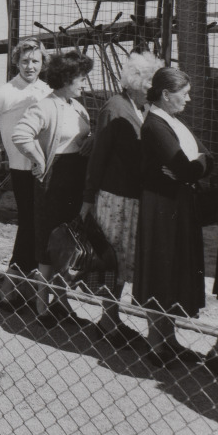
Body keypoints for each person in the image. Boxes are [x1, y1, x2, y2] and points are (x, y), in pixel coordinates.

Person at [81, 50, 161, 343]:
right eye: (151, 81)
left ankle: (111, 317)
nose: (154, 87)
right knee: (112, 260)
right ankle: (108, 320)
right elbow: (98, 157)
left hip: (132, 198)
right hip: (115, 198)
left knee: (123, 260)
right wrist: (88, 199)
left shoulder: (143, 108)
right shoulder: (115, 108)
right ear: (136, 80)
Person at [10, 50, 95, 321]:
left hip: (75, 179)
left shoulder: (76, 106)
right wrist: (38, 159)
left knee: (68, 243)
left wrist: (89, 141)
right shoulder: (45, 106)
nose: (84, 83)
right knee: (48, 242)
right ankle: (42, 305)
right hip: (53, 181)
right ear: (67, 78)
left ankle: (61, 301)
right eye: (81, 78)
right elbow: (21, 134)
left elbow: (80, 135)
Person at [0, 39, 51, 299]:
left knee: (39, 227)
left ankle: (28, 287)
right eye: (25, 61)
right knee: (28, 225)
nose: (30, 66)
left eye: (35, 61)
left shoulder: (45, 90)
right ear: (16, 62)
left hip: (45, 167)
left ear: (43, 63)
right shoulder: (6, 92)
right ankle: (10, 289)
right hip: (22, 169)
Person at [134, 67, 208, 364]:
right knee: (160, 272)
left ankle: (169, 339)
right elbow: (187, 168)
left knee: (174, 271)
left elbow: (206, 157)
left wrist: (196, 165)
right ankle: (156, 343)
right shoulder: (155, 125)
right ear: (166, 94)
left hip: (177, 204)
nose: (188, 99)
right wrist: (196, 166)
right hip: (161, 207)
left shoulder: (173, 122)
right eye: (184, 94)